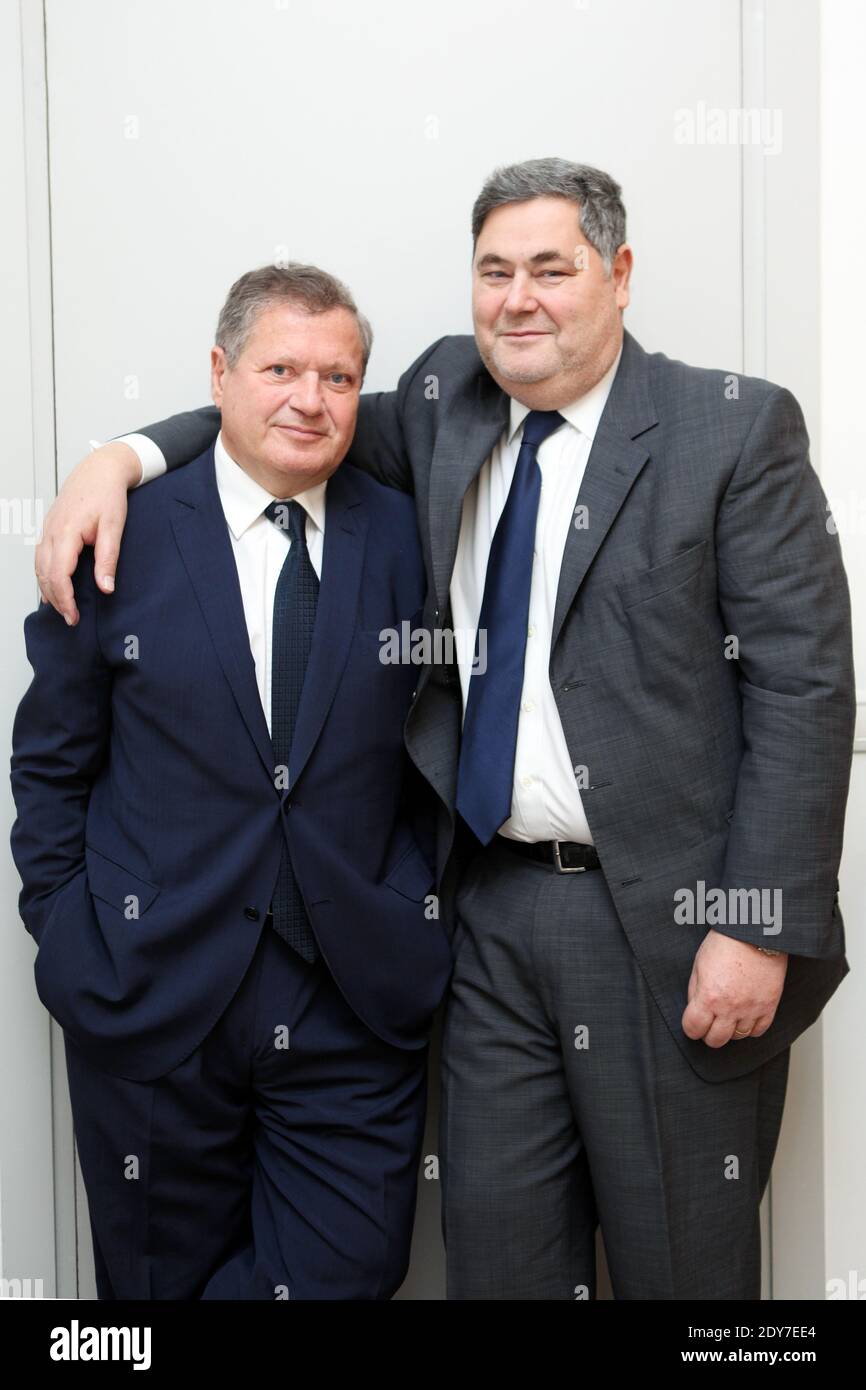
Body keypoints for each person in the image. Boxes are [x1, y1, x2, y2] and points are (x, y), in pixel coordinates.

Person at [34, 158, 856, 1300]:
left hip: (669, 924)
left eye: (550, 269)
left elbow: (803, 688)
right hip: (484, 915)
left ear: (616, 276)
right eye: (493, 271)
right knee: (500, 1264)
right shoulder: (444, 403)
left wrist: (756, 923)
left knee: (685, 1273)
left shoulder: (729, 431)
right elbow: (279, 417)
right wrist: (119, 457)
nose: (517, 298)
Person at [11, 263, 452, 1300]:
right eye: (281, 368)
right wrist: (70, 928)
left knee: (348, 1267)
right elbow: (51, 762)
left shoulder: (407, 535)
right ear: (219, 373)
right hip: (153, 987)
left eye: (339, 377)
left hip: (351, 989)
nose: (310, 398)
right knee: (156, 1286)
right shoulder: (120, 533)